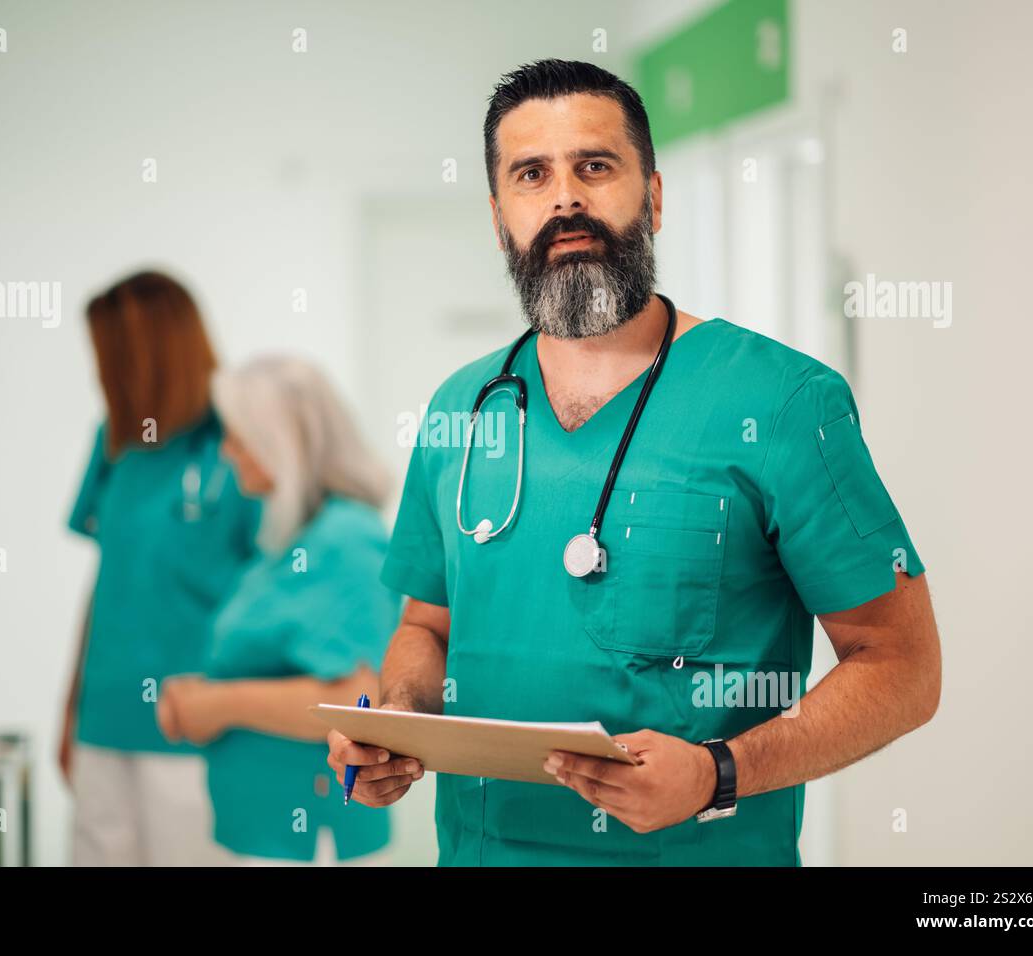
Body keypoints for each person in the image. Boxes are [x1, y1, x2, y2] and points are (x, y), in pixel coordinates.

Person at [326, 59, 942, 866]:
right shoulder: (461, 409)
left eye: (595, 166)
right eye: (531, 174)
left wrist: (720, 772)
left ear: (653, 195)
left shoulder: (784, 402)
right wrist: (395, 722)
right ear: (498, 214)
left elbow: (902, 667)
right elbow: (425, 626)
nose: (565, 200)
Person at [157, 357, 399, 865]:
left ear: (281, 443)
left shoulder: (346, 538)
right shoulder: (295, 538)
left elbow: (358, 699)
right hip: (271, 829)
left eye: (239, 436)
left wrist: (216, 705)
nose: (227, 450)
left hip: (308, 831)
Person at [61, 270, 260, 866]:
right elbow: (109, 582)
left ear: (152, 356)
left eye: (111, 358)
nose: (101, 375)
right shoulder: (115, 439)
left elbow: (271, 593)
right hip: (104, 719)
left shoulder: (239, 440)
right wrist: (70, 708)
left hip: (194, 727)